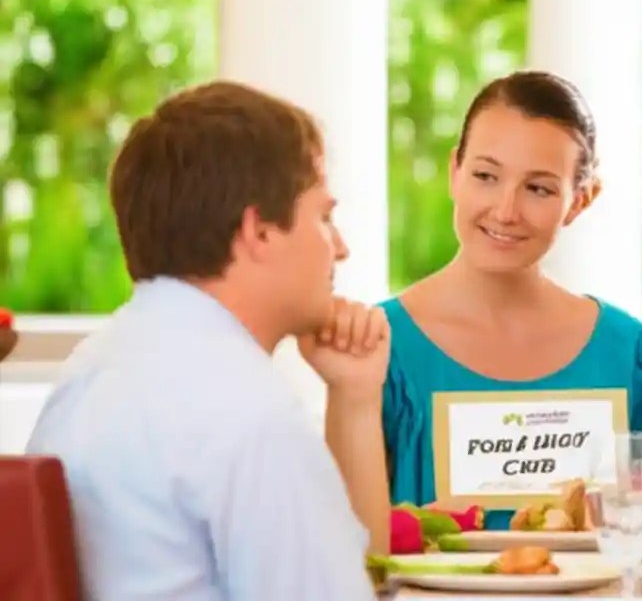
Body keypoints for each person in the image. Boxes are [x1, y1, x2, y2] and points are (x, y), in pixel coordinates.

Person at [25, 81, 384, 600]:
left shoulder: (92, 370)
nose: (341, 247)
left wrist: (353, 397)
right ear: (259, 231)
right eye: (324, 217)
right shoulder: (248, 412)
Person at [322, 71, 642, 530]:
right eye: (486, 176)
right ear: (455, 171)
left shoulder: (628, 352)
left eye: (539, 188)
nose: (505, 211)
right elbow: (341, 544)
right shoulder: (378, 345)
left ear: (580, 200)